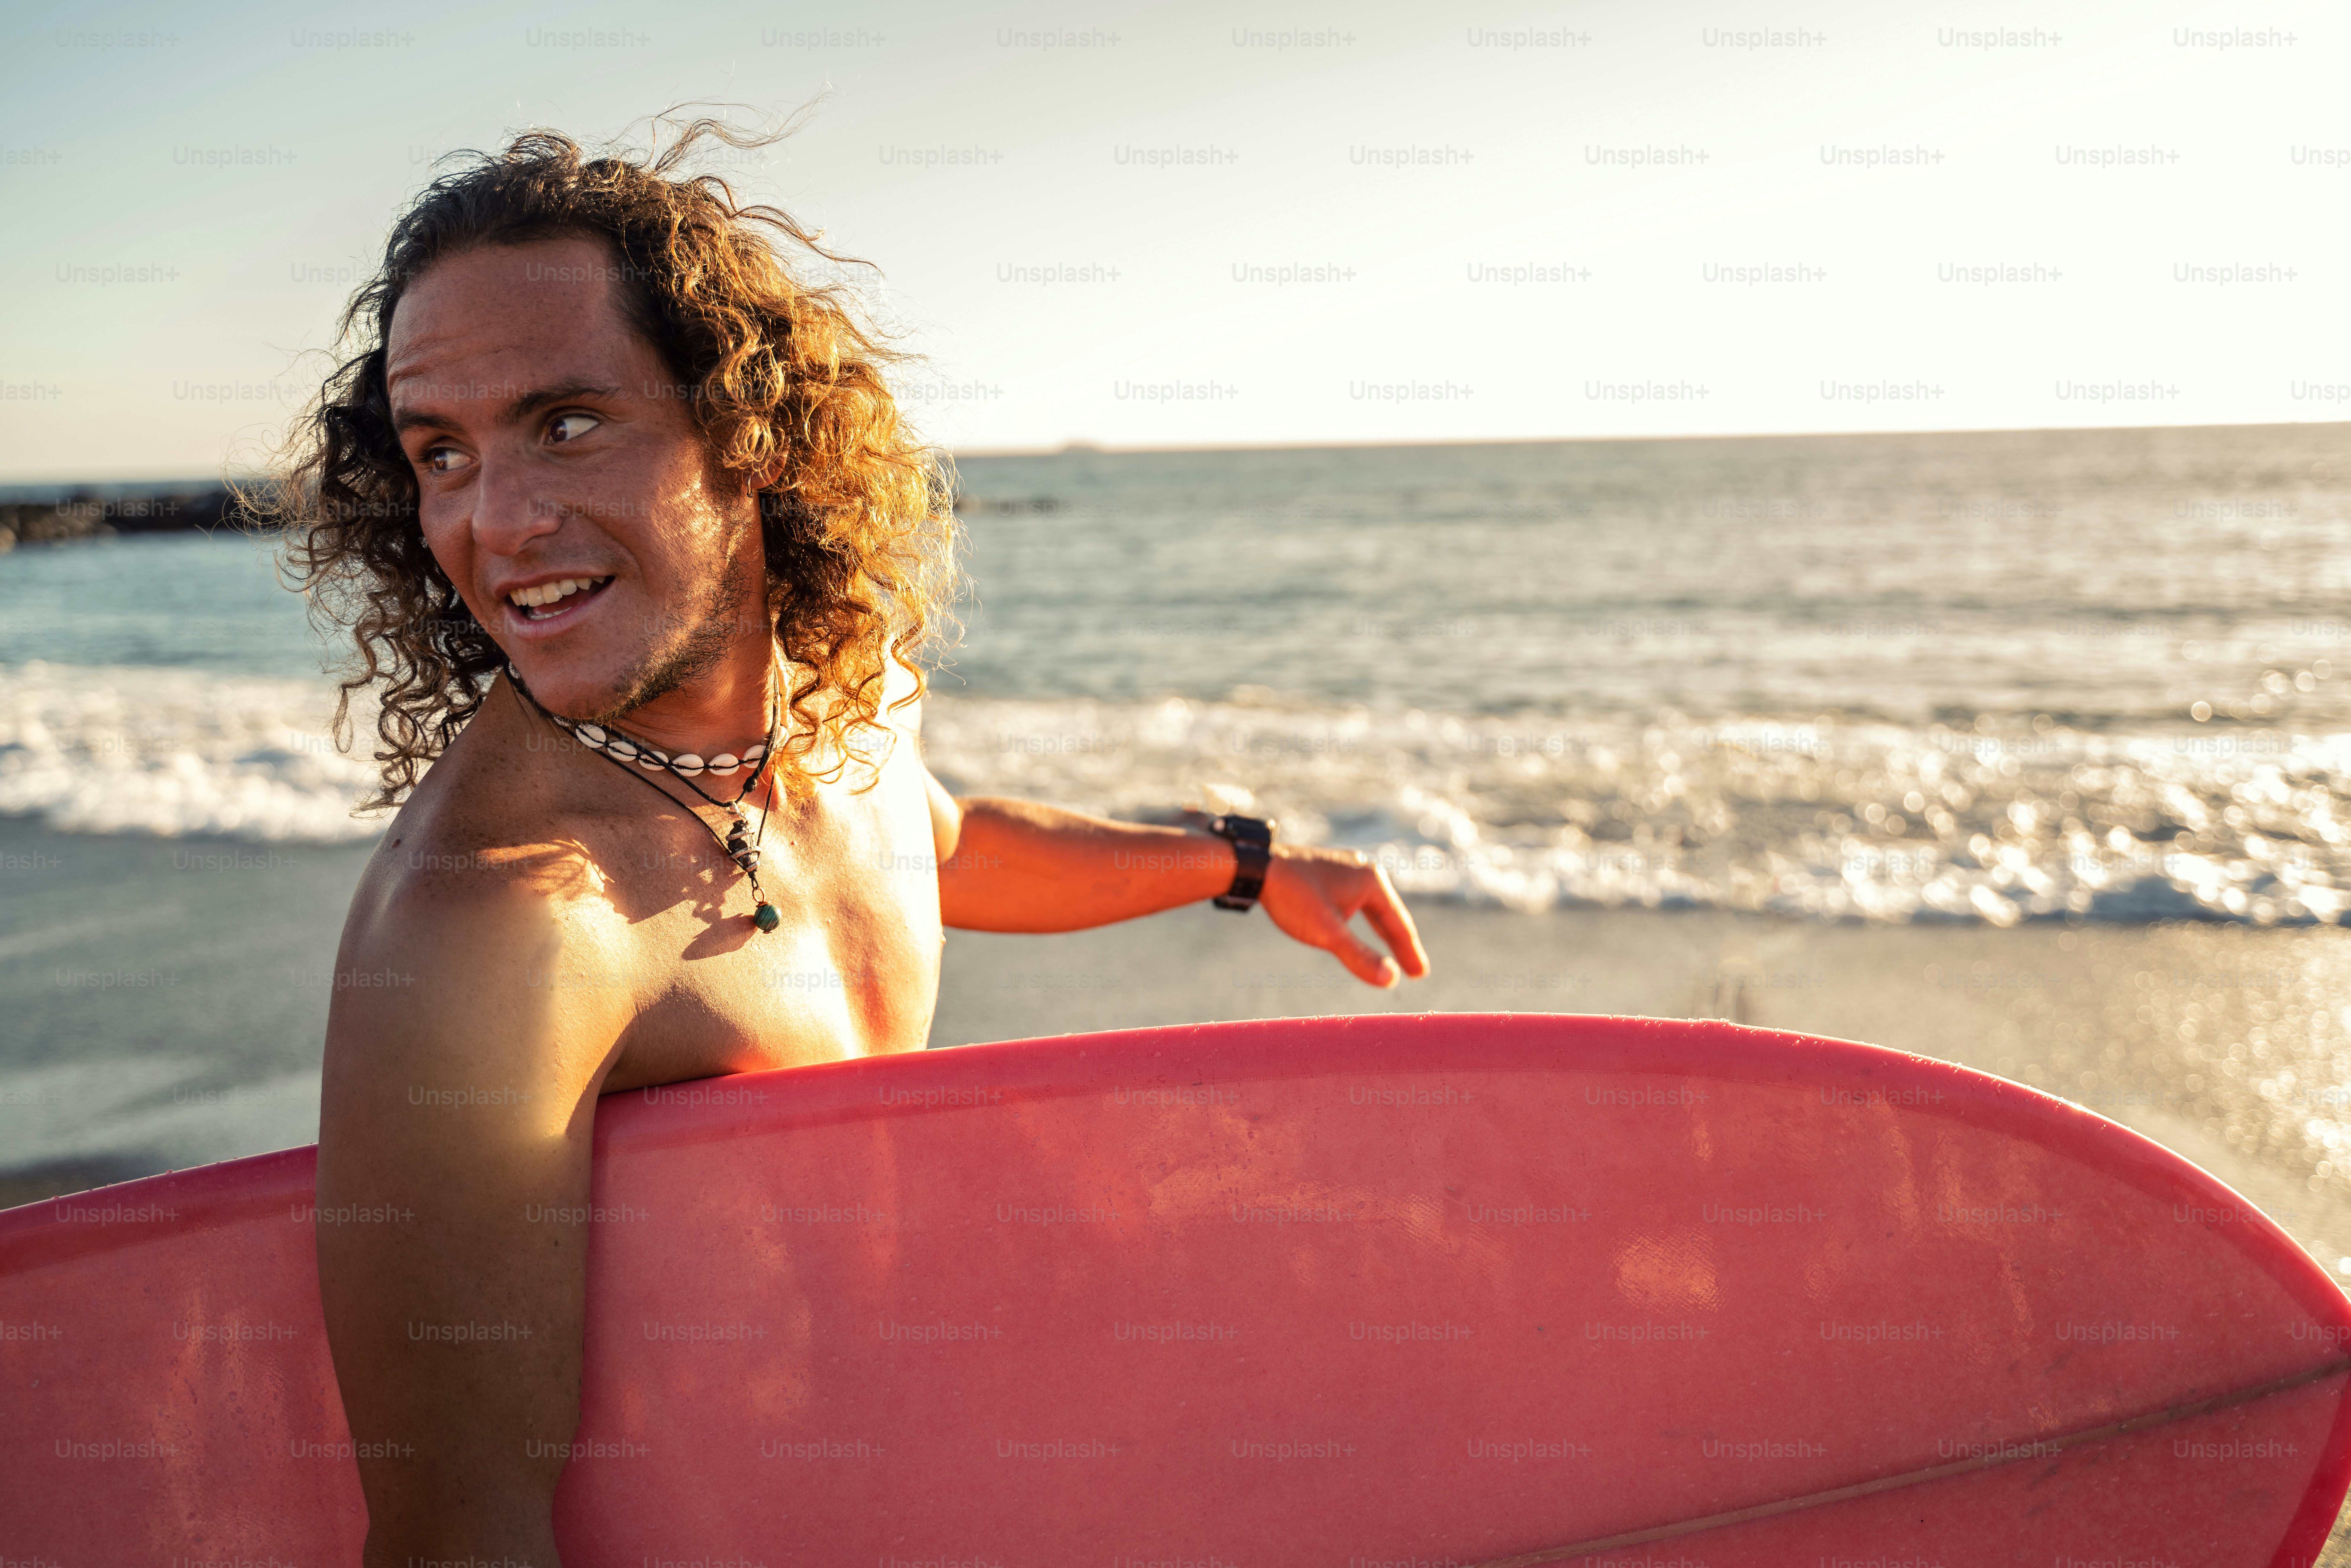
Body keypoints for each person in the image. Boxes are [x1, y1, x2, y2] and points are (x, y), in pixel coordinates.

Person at [277, 119, 1429, 1565]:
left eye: (568, 421)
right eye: (441, 453)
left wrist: (1244, 863)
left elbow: (935, 848)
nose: (492, 523)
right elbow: (461, 1540)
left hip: (910, 1471)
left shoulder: (844, 695)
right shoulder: (497, 932)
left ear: (749, 431)